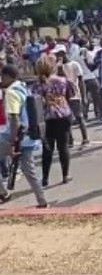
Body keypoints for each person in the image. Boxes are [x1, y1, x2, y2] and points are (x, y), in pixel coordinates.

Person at [0, 63, 48, 207]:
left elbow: (14, 119)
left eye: (2, 76)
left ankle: (3, 192)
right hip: (29, 136)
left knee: (28, 169)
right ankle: (42, 201)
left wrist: (12, 143)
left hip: (16, 136)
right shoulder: (23, 88)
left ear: (8, 76)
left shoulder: (11, 92)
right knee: (29, 170)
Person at [36, 56, 75, 187]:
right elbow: (72, 94)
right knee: (63, 146)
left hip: (46, 118)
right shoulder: (62, 81)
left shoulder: (37, 85)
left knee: (47, 149)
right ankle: (65, 175)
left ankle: (45, 178)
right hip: (63, 115)